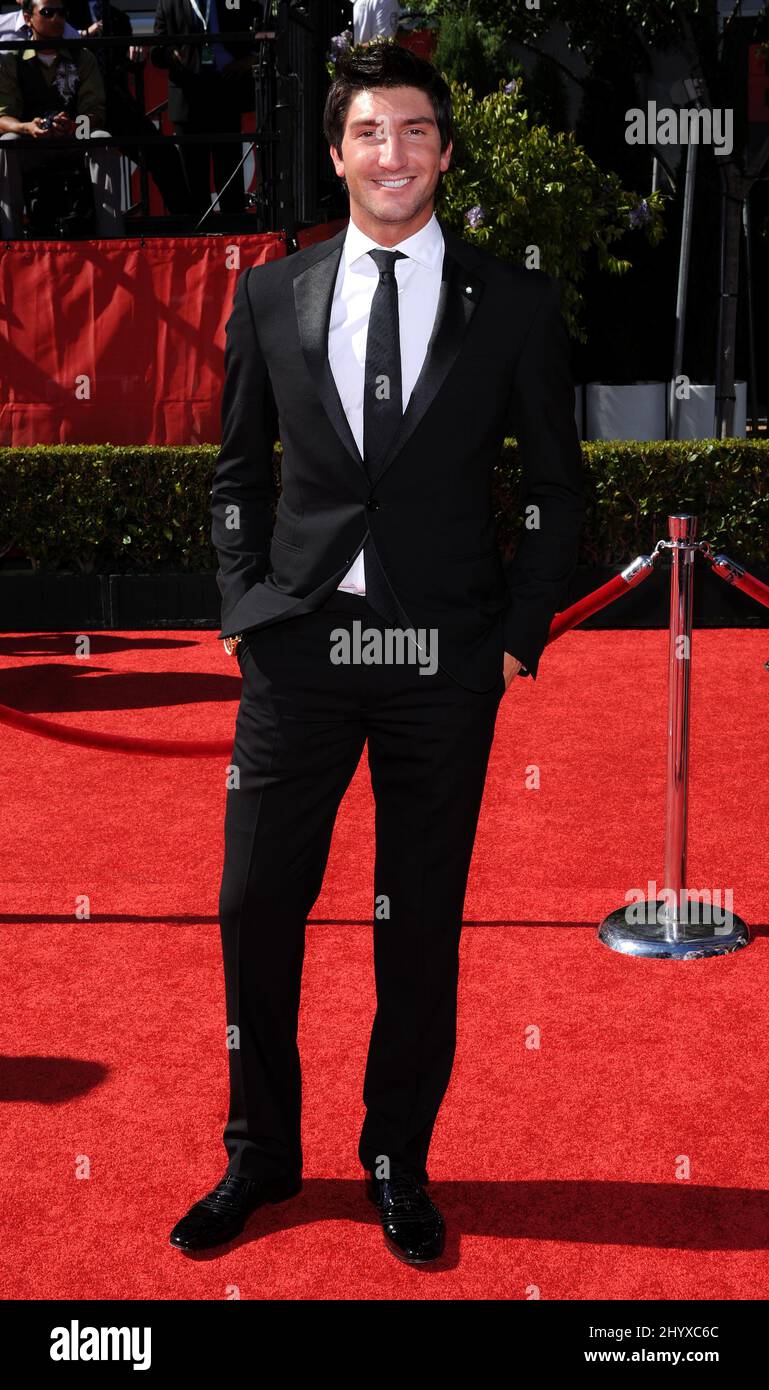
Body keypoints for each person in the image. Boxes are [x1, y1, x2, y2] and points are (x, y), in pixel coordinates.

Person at [170, 38, 585, 1265]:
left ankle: (397, 1158)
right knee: (255, 907)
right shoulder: (270, 292)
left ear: (444, 154)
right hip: (299, 650)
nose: (391, 153)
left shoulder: (511, 302)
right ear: (338, 152)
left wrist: (517, 634)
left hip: (441, 663)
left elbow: (556, 490)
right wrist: (245, 604)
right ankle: (259, 1154)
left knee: (417, 923)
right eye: (369, 133)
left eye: (414, 132)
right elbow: (238, 473)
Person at [0, 0, 125, 238]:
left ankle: (111, 238)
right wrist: (27, 127)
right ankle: (10, 242)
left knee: (102, 138)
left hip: (74, 141)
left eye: (61, 12)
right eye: (47, 12)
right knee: (7, 141)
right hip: (31, 144)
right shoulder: (11, 60)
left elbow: (95, 114)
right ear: (28, 18)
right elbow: (2, 115)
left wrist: (74, 126)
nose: (57, 19)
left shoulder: (83, 57)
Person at [65, 0, 192, 215]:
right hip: (79, 109)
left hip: (114, 105)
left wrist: (136, 54)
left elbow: (124, 66)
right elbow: (52, 43)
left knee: (163, 153)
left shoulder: (118, 18)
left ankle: (186, 223)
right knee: (85, 154)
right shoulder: (62, 11)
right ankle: (83, 223)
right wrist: (84, 33)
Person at [150, 0, 258, 218]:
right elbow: (156, 51)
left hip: (224, 93)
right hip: (189, 99)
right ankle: (197, 238)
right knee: (193, 178)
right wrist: (171, 54)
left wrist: (248, 60)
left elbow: (256, 28)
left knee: (229, 175)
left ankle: (234, 232)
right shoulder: (168, 3)